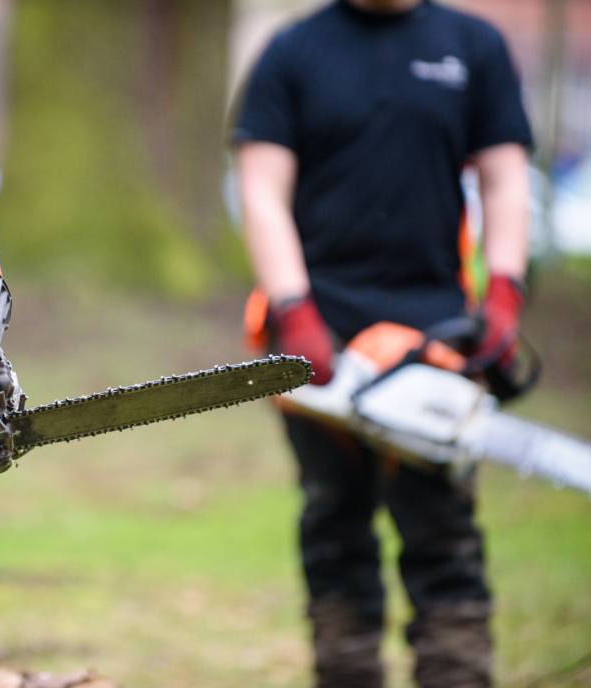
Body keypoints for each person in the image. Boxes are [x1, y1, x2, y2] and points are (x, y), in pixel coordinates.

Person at [231, 0, 531, 686]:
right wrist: (293, 308)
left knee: (443, 532)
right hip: (319, 330)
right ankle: (346, 671)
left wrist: (504, 295)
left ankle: (457, 672)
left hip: (438, 334)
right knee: (333, 522)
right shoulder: (294, 51)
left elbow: (506, 178)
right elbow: (261, 190)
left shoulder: (473, 45)